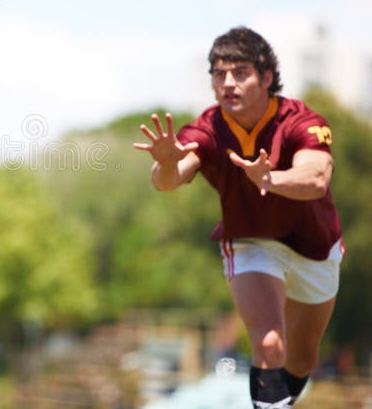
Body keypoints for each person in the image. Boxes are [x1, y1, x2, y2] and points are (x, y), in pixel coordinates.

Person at [133, 26, 342, 408]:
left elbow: (316, 178)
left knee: (301, 360)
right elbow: (170, 179)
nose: (227, 82)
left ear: (266, 78)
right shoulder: (208, 127)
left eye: (240, 72)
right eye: (218, 74)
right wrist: (164, 164)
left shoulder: (302, 120)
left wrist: (270, 178)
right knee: (268, 343)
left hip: (315, 247)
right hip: (251, 243)